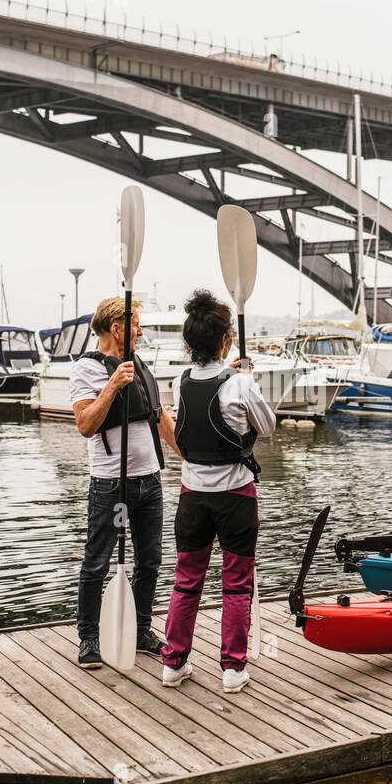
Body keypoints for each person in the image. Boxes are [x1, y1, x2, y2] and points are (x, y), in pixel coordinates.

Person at [159, 289, 276, 694]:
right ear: (226, 340)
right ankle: (232, 668)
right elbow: (267, 428)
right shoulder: (241, 385)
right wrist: (248, 380)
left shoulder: (179, 380)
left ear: (191, 345)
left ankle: (173, 663)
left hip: (192, 497)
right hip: (235, 497)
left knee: (186, 580)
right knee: (236, 582)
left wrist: (237, 375)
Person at [70, 297, 178, 669]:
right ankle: (88, 637)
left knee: (150, 560)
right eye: (135, 324)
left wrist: (194, 457)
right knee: (97, 562)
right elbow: (86, 425)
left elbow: (161, 420)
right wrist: (113, 385)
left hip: (150, 483)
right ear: (116, 328)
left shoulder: (142, 367)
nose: (141, 331)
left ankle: (141, 628)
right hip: (112, 488)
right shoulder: (87, 369)